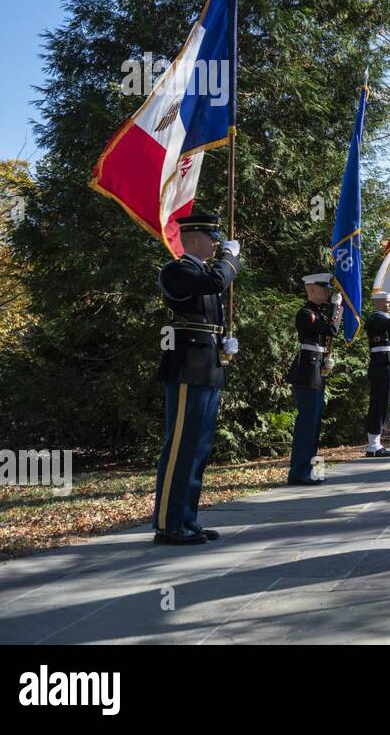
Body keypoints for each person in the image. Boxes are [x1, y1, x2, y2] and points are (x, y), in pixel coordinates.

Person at [152, 210, 240, 545]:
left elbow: (214, 286)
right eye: (212, 237)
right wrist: (232, 258)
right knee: (181, 445)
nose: (217, 243)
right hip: (187, 364)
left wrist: (223, 340)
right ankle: (168, 523)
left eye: (219, 239)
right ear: (191, 238)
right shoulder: (177, 270)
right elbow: (217, 281)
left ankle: (187, 519)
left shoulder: (201, 271)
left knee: (198, 447)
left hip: (207, 363)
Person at [287, 272, 342, 484]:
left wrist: (326, 358)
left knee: (314, 425)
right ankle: (298, 472)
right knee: (306, 426)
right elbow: (331, 330)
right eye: (323, 288)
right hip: (307, 372)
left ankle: (312, 470)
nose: (327, 292)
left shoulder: (316, 312)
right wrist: (337, 309)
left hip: (316, 370)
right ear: (311, 289)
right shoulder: (306, 313)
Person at [364, 290, 390, 457]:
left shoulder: (384, 318)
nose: (389, 305)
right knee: (378, 404)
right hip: (379, 366)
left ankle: (377, 442)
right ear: (378, 302)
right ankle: (372, 445)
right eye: (387, 302)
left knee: (384, 403)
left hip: (386, 364)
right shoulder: (375, 318)